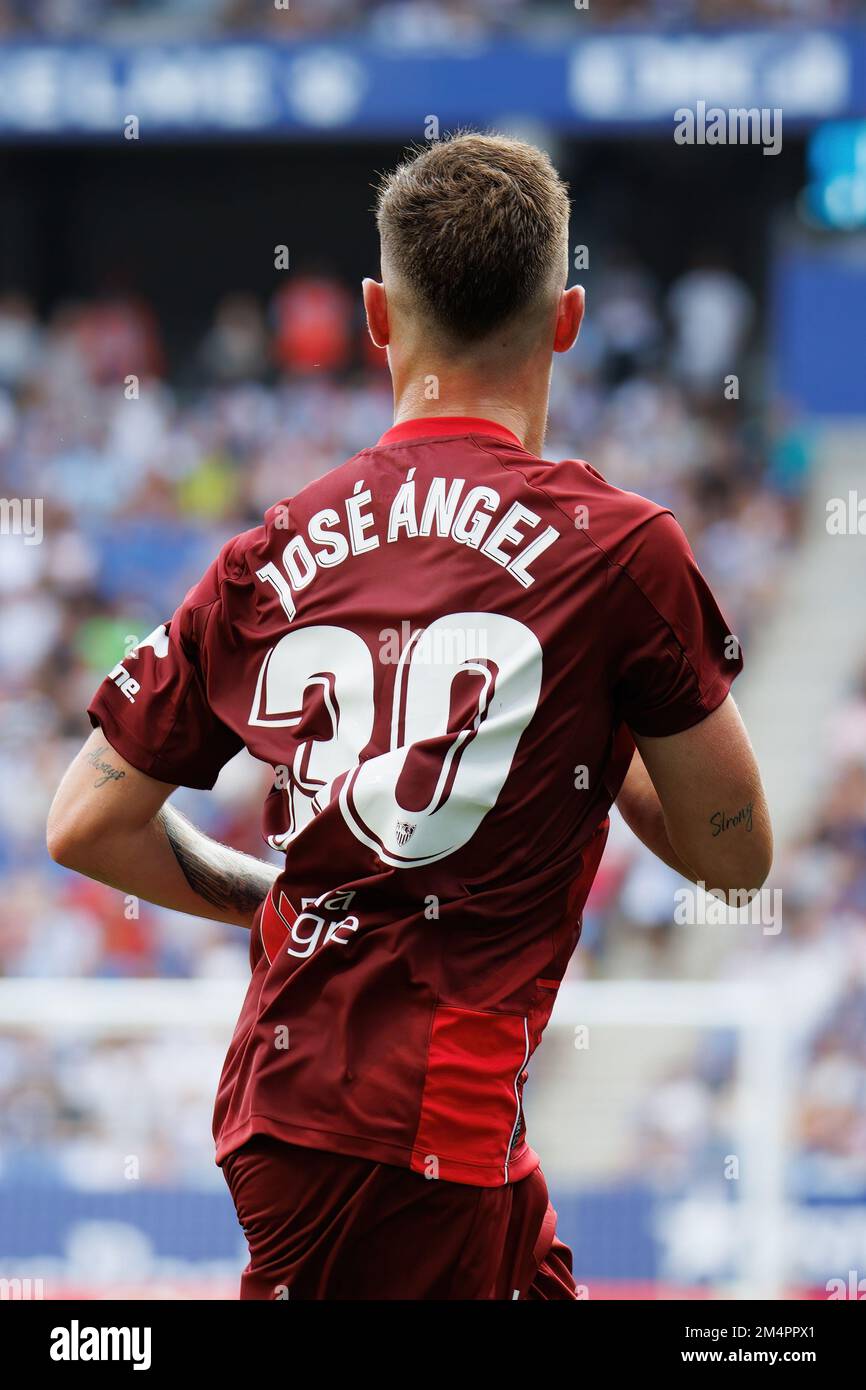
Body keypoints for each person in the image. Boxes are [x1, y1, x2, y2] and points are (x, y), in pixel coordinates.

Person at [47, 133, 772, 1300]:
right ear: (568, 319)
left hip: (353, 1105)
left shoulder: (273, 547)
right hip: (400, 1132)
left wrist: (271, 898)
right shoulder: (618, 551)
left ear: (377, 318)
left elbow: (85, 820)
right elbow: (736, 858)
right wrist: (592, 711)